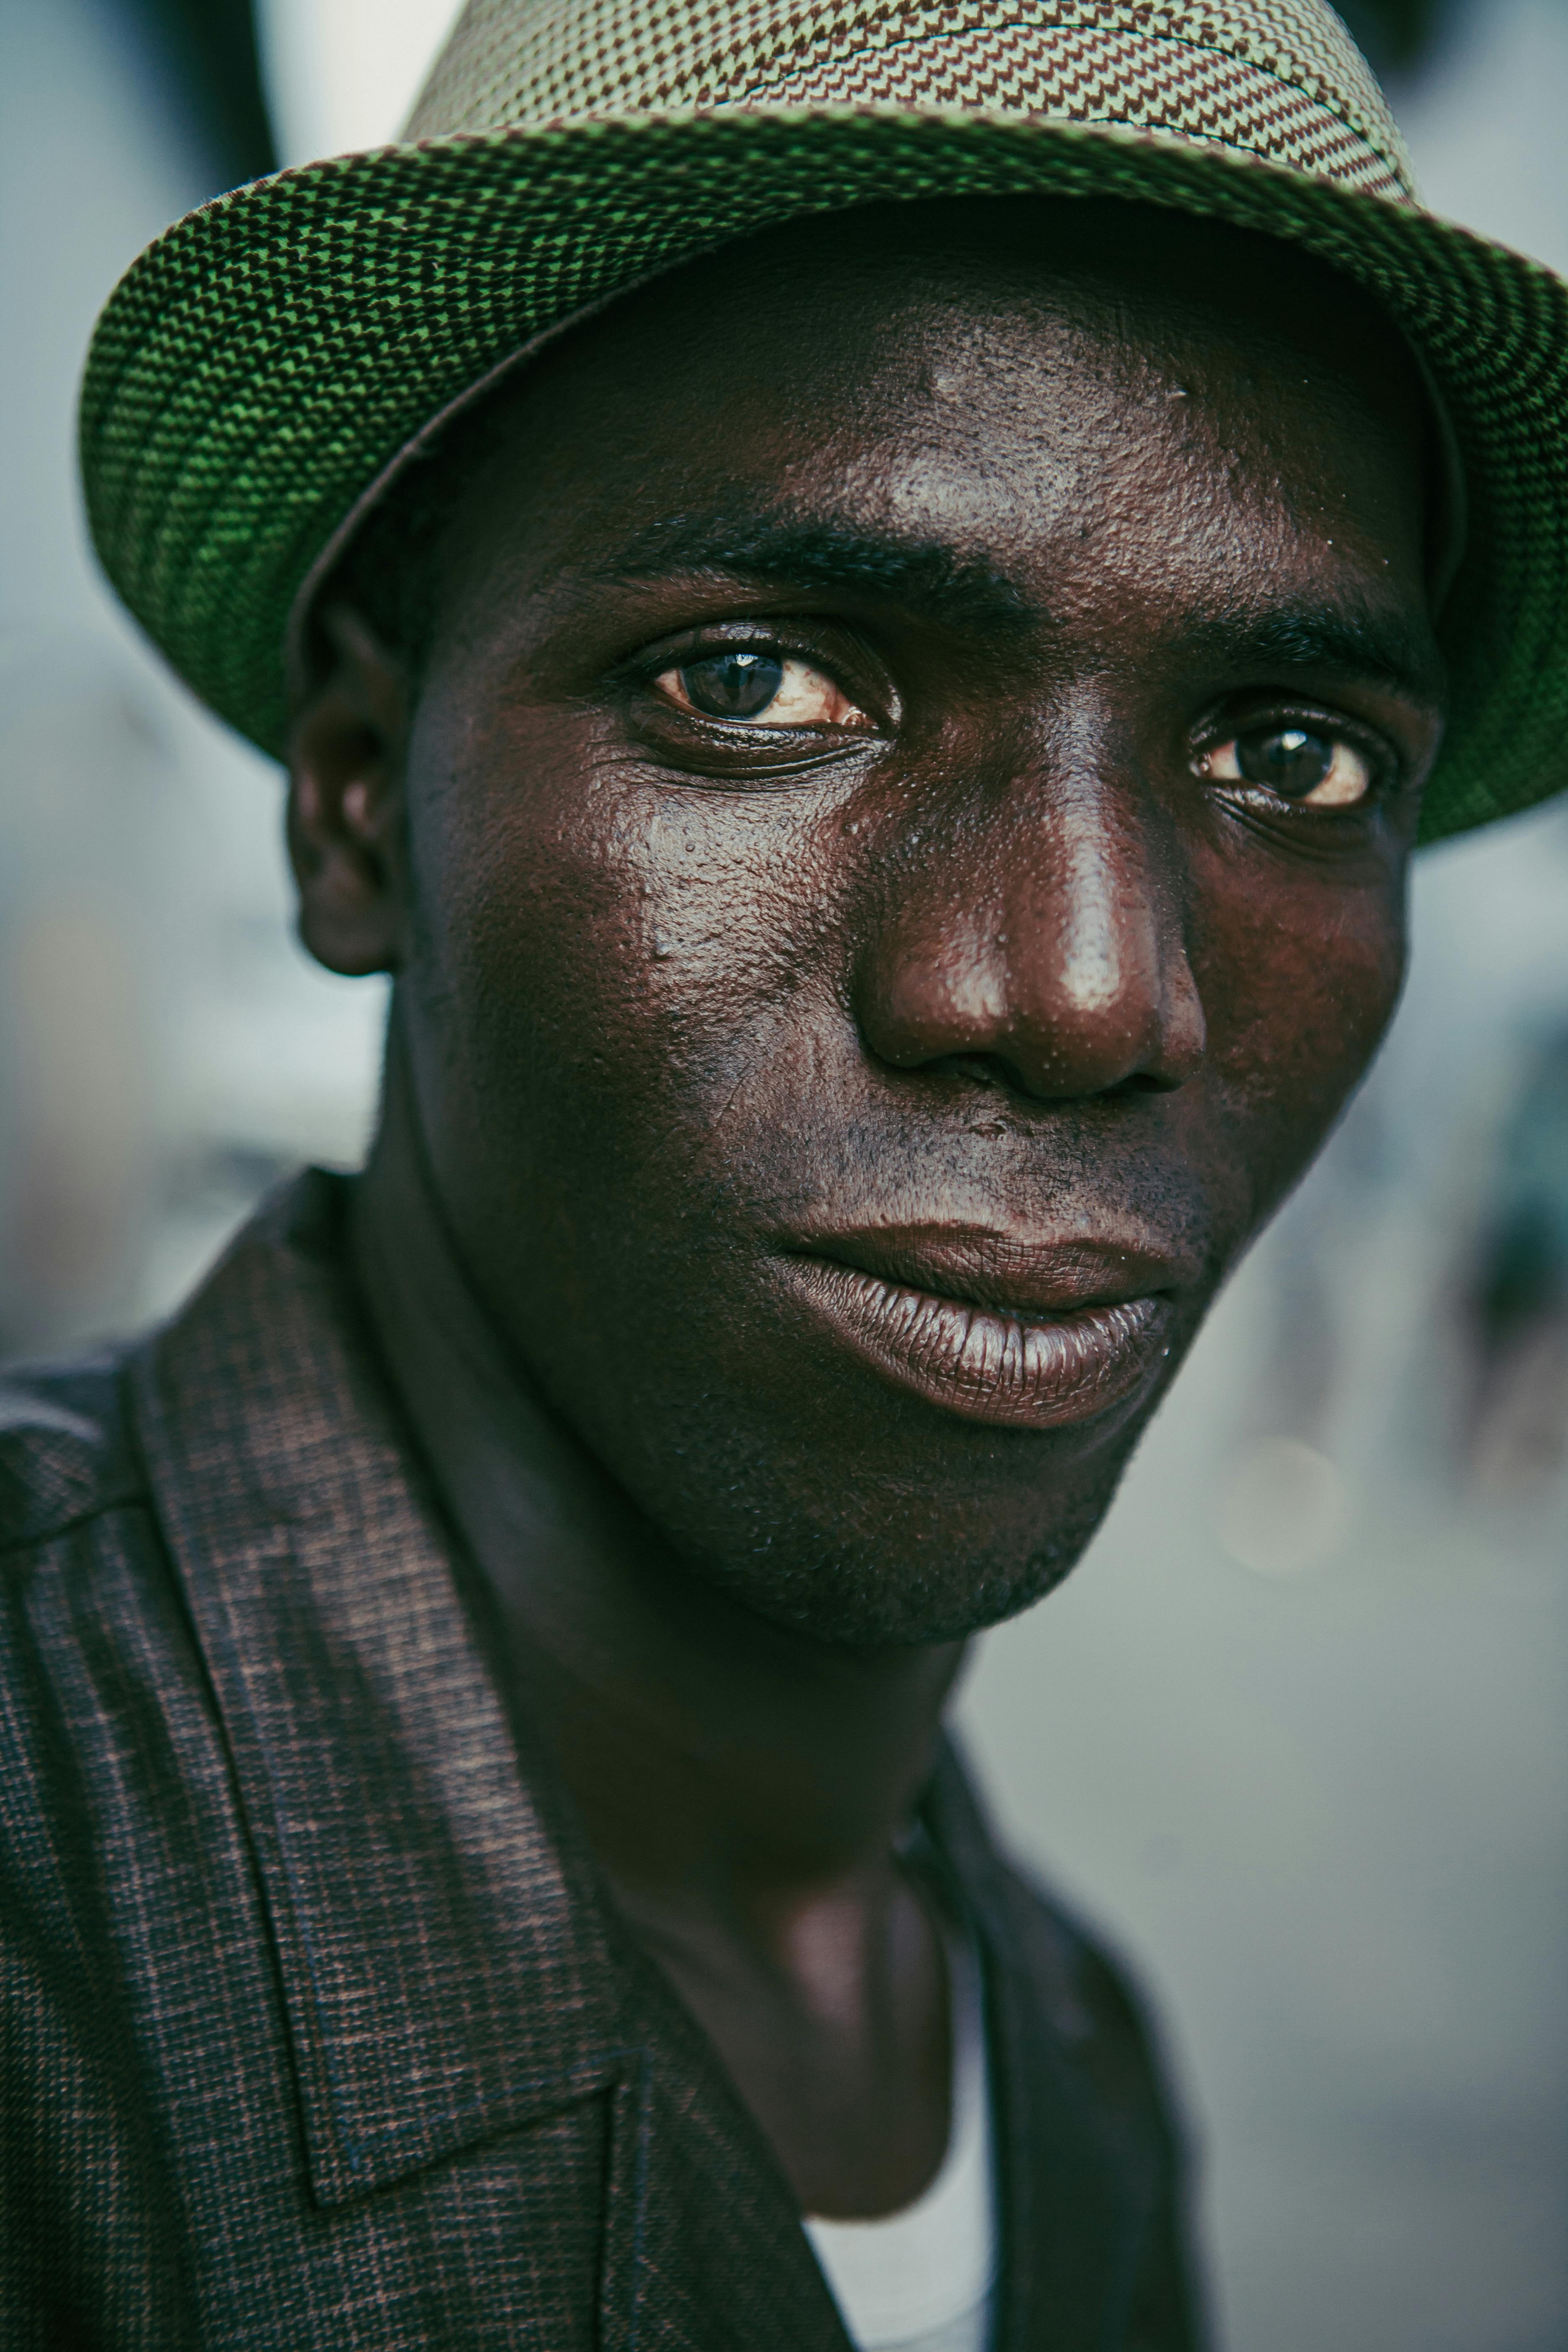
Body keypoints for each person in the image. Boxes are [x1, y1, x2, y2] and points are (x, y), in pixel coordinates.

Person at [4, 1, 1565, 2345]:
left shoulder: (1069, 2064)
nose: (1085, 989)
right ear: (357, 801)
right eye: (760, 686)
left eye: (1294, 757)